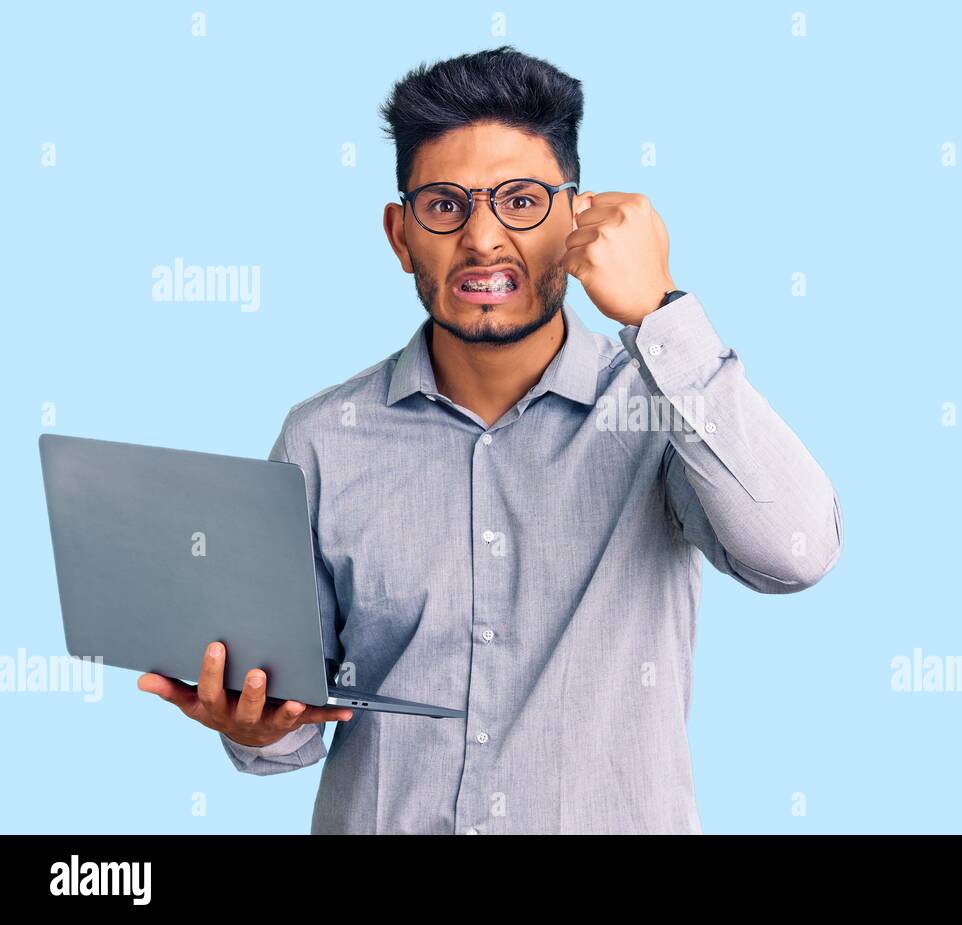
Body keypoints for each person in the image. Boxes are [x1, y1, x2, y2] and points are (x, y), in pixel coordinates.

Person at [137, 45, 843, 834]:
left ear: (579, 220)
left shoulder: (665, 409)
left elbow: (796, 548)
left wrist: (661, 313)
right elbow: (301, 718)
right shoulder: (321, 437)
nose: (482, 239)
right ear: (400, 234)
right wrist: (259, 724)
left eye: (521, 200)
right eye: (446, 205)